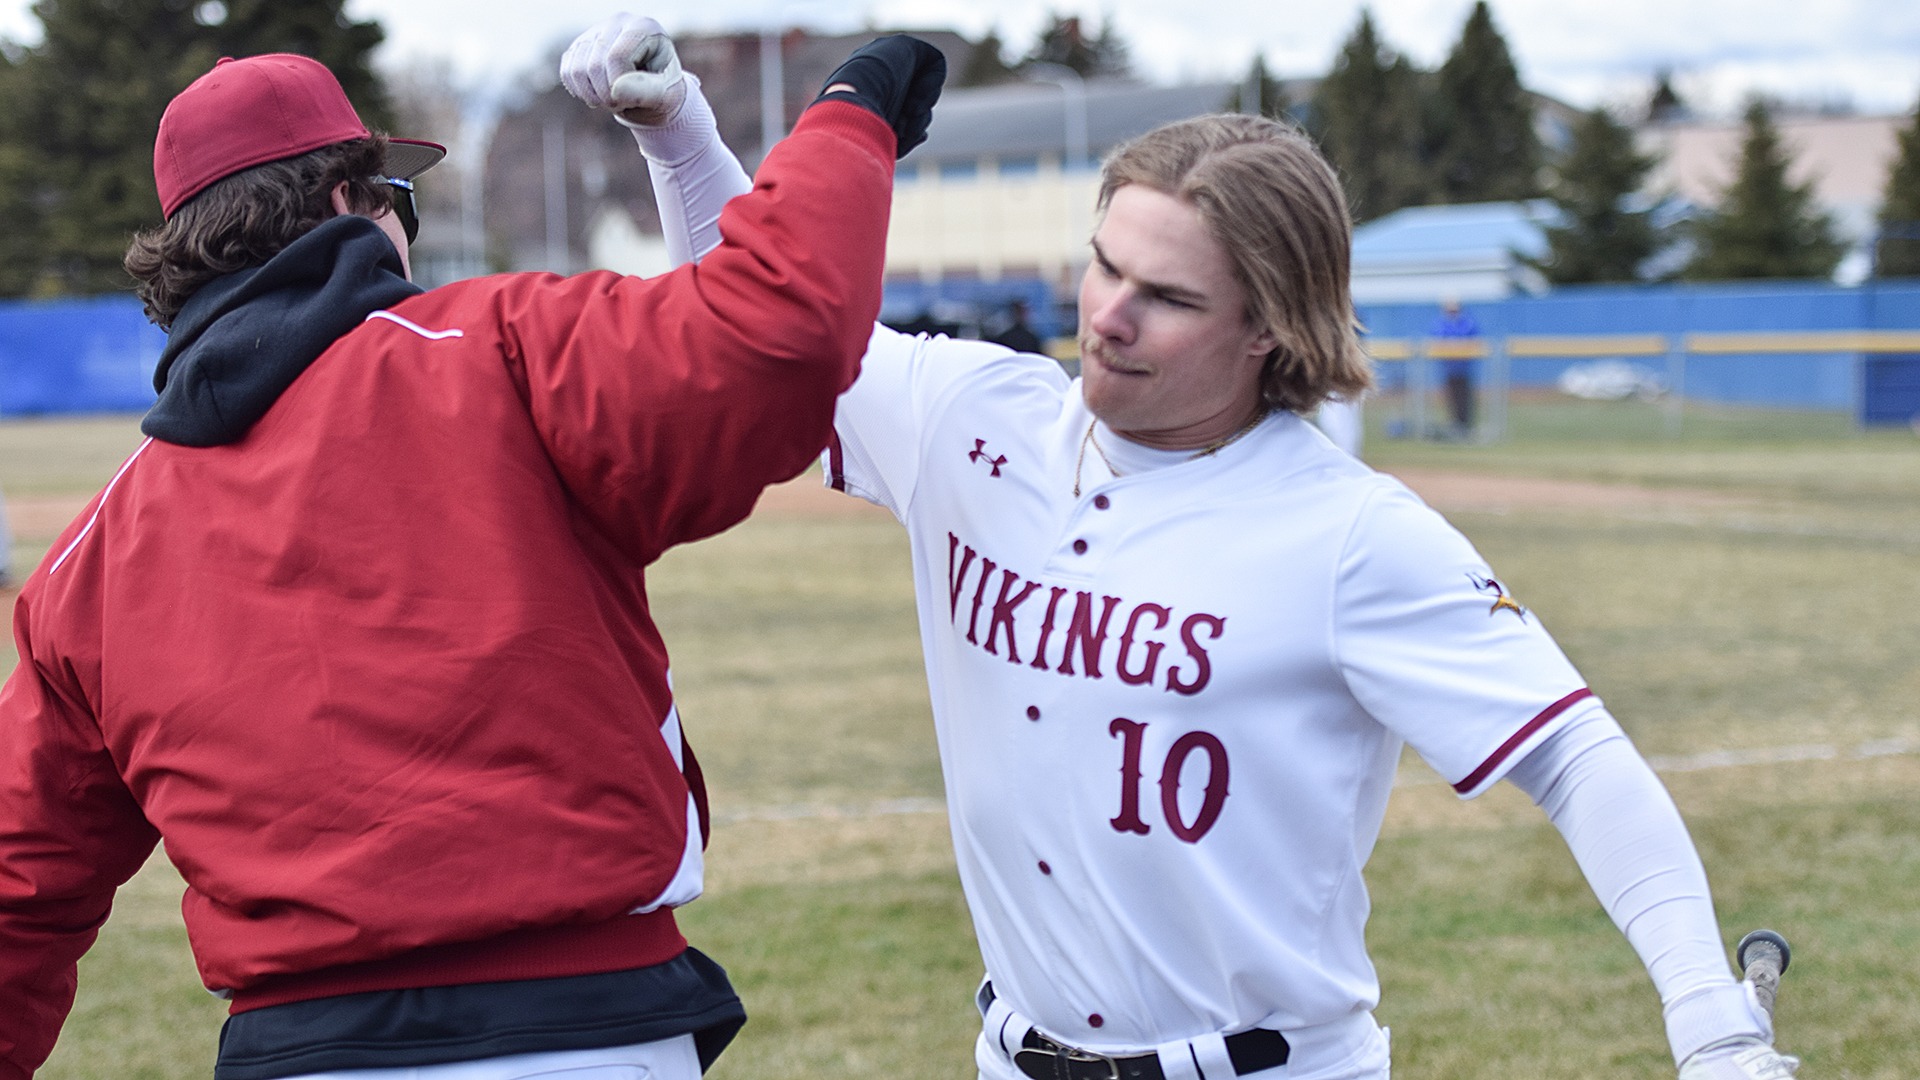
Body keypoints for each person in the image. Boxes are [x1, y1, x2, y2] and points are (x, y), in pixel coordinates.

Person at [568, 25, 1801, 1080]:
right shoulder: (975, 414)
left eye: (1168, 295)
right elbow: (763, 329)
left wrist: (1706, 1020)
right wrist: (678, 133)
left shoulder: (1351, 534)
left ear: (1271, 327)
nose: (1109, 312)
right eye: (1105, 262)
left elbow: (1576, 755)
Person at [0, 31, 944, 1080]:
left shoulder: (87, 560)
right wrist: (850, 113)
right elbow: (777, 333)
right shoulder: (502, 349)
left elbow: (17, 894)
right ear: (351, 206)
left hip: (291, 1052)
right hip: (587, 1034)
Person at [1432, 297, 1481, 439]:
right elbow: (1437, 339)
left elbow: (1474, 338)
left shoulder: (1467, 323)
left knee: (1465, 398)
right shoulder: (1442, 323)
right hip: (1449, 368)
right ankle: (1454, 426)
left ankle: (1465, 427)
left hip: (1464, 368)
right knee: (1451, 398)